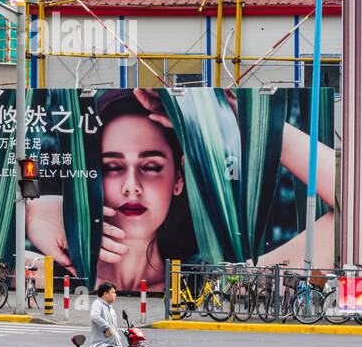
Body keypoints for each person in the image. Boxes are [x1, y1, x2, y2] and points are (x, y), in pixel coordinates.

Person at [25, 89, 338, 289]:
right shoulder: (46, 272)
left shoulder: (213, 279)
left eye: (150, 167)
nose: (131, 187)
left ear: (178, 179)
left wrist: (231, 115)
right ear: (91, 174)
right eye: (112, 167)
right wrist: (31, 211)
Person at [88, 281, 135, 347]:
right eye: (113, 292)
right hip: (99, 346)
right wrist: (107, 327)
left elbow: (115, 330)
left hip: (114, 346)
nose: (115, 295)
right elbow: (94, 316)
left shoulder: (110, 308)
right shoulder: (98, 304)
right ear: (105, 294)